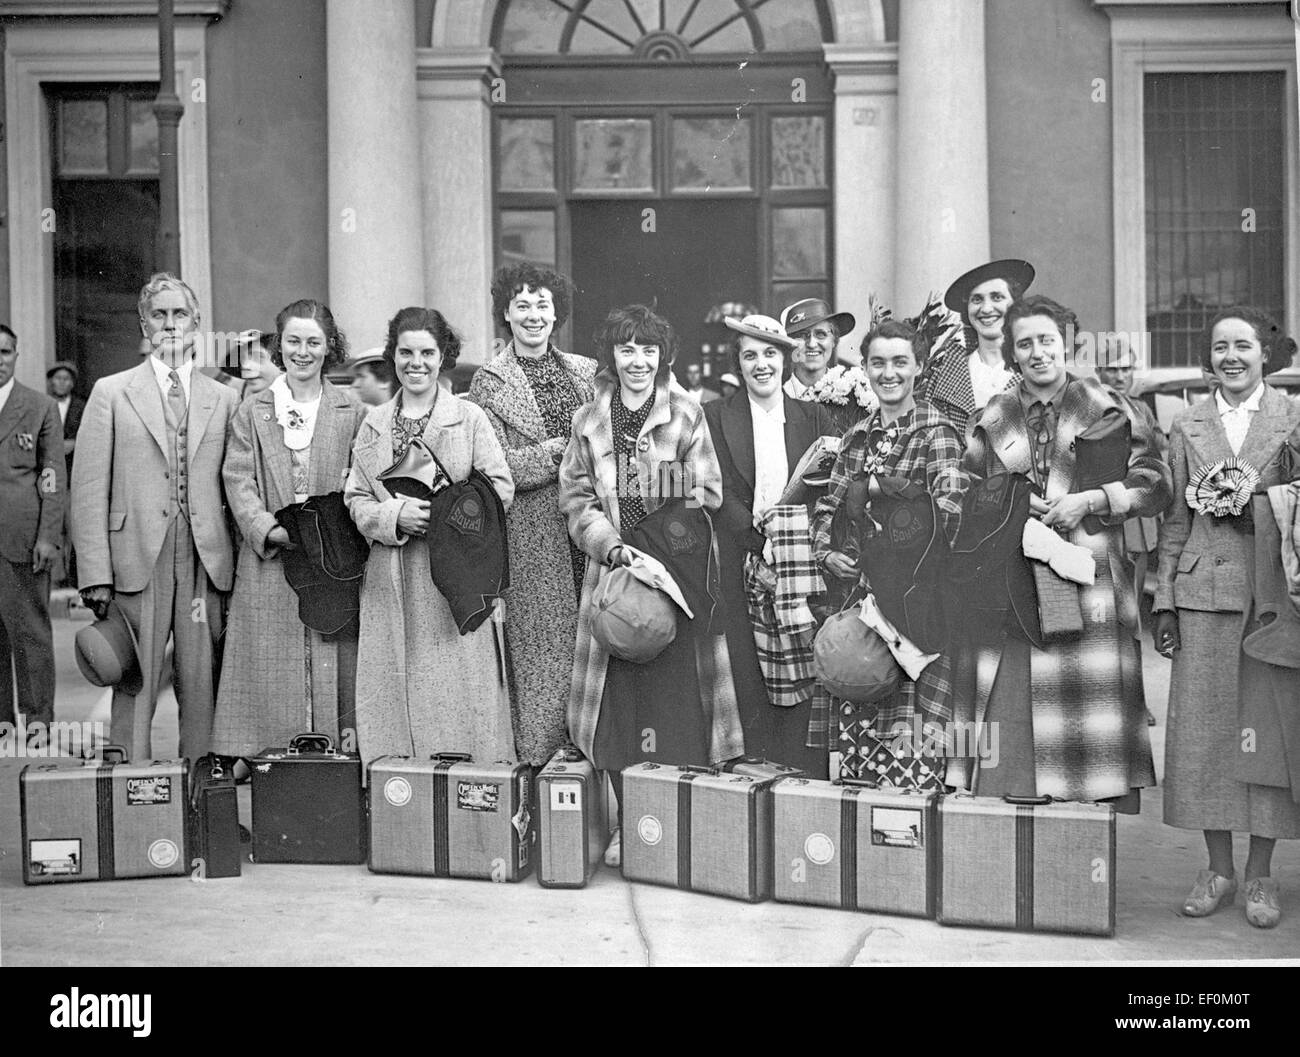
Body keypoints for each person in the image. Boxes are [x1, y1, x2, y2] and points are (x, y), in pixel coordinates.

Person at [960, 294, 1170, 810]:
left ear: (1067, 343)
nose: (1037, 353)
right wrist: (1004, 502)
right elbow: (964, 489)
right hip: (1012, 585)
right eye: (1024, 343)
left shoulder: (1109, 407)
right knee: (1013, 732)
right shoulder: (992, 415)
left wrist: (1094, 499)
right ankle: (1014, 852)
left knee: (1086, 743)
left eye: (1046, 341)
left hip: (1090, 583)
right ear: (1011, 353)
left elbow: (1156, 484)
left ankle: (1080, 860)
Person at [560, 304, 744, 866]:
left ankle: (669, 825)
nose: (637, 360)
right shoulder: (588, 419)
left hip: (673, 580)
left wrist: (654, 522)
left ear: (663, 355)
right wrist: (614, 546)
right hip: (615, 579)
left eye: (647, 349)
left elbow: (708, 492)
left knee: (675, 705)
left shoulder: (687, 412)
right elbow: (575, 499)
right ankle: (626, 827)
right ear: (610, 356)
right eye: (626, 349)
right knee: (617, 710)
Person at [1154, 306, 1300, 929]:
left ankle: (1262, 875)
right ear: (1208, 357)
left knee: (1265, 734)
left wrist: (1261, 506)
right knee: (1208, 735)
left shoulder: (1293, 419)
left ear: (1267, 353)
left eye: (1243, 345)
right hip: (1202, 596)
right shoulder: (1186, 423)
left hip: (1272, 598)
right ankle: (1217, 868)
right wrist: (1164, 599)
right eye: (1219, 348)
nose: (1231, 357)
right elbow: (1174, 522)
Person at [71, 273, 238, 761]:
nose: (169, 324)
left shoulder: (224, 398)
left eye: (179, 314)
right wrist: (95, 574)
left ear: (197, 323)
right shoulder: (112, 392)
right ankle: (130, 802)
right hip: (135, 561)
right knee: (134, 681)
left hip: (205, 563)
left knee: (201, 684)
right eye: (159, 314)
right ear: (144, 323)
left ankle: (201, 803)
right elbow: (87, 491)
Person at [346, 306, 514, 763]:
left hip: (454, 585)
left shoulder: (470, 418)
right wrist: (392, 517)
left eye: (426, 352)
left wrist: (442, 515)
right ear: (393, 356)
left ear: (444, 357)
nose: (415, 363)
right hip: (390, 582)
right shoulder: (374, 423)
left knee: (457, 709)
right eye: (405, 352)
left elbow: (500, 488)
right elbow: (355, 497)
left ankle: (464, 809)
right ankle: (402, 808)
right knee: (394, 714)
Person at [812, 319, 969, 774]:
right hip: (859, 612)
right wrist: (828, 552)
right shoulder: (856, 437)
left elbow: (951, 510)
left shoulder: (936, 432)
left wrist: (890, 514)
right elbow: (828, 506)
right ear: (863, 368)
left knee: (911, 752)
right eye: (878, 363)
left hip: (914, 608)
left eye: (900, 362)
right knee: (856, 742)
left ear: (919, 367)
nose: (889, 373)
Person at [210, 300, 366, 758]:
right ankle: (271, 770)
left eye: (313, 342)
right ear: (280, 346)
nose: (303, 352)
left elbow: (361, 474)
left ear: (328, 346)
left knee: (328, 658)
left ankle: (328, 771)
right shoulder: (253, 410)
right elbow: (237, 478)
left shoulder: (350, 408)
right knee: (271, 669)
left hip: (330, 559)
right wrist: (265, 529)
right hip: (271, 561)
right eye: (293, 341)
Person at [467, 263, 596, 767]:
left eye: (542, 304)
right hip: (531, 536)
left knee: (591, 653)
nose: (534, 314)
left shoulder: (586, 372)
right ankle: (542, 778)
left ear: (556, 311)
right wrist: (560, 452)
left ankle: (588, 778)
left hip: (586, 529)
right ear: (505, 312)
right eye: (522, 304)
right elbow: (492, 465)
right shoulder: (489, 380)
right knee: (542, 659)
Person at [704, 313, 834, 776]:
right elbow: (712, 487)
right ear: (738, 364)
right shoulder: (716, 415)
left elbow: (826, 489)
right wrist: (758, 543)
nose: (762, 365)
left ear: (786, 358)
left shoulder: (813, 416)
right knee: (749, 668)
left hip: (801, 561)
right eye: (750, 355)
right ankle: (758, 777)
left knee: (803, 665)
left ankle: (806, 778)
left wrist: (791, 543)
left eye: (770, 354)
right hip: (742, 558)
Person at [0, 325, 65, 736]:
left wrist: (47, 536)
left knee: (30, 632)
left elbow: (52, 474)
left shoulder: (39, 407)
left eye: (4, 352)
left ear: (16, 355)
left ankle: (39, 720)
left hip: (22, 539)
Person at [1098, 336, 1165, 726]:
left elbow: (1158, 458)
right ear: (1099, 371)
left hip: (1136, 524)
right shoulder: (1087, 406)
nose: (1120, 375)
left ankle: (1134, 702)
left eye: (1126, 367)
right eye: (1112, 367)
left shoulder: (1142, 409)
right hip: (1098, 520)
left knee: (1130, 615)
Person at [925, 259, 1035, 437]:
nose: (986, 308)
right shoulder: (945, 374)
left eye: (997, 297)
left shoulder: (1034, 370)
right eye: (977, 300)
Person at [780, 297, 856, 400]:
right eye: (802, 335)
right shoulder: (779, 396)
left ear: (834, 340)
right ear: (790, 343)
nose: (811, 344)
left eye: (821, 334)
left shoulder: (851, 394)